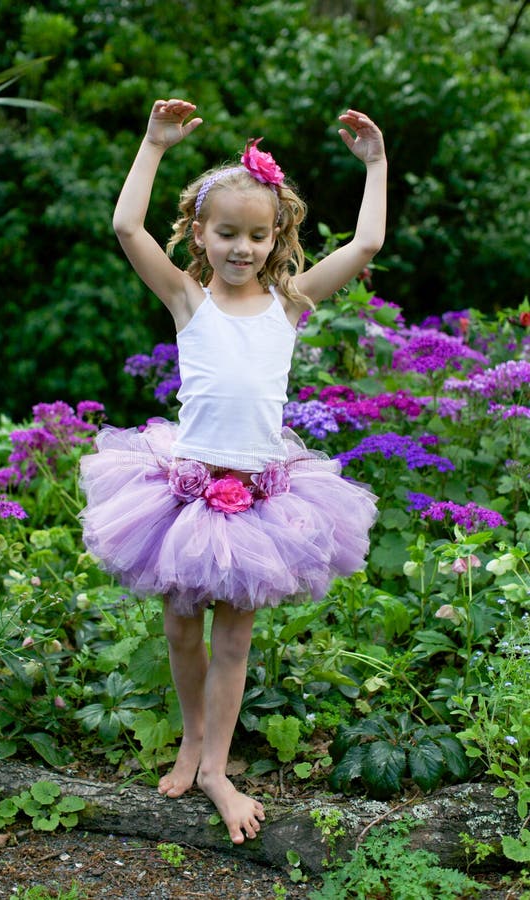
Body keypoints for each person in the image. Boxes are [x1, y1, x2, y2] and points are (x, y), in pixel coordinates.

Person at [80, 98, 387, 844]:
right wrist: (152, 145)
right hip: (183, 497)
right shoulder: (188, 300)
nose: (242, 248)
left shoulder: (292, 303)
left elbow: (367, 244)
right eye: (227, 233)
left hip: (257, 503)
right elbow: (126, 228)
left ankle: (217, 766)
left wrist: (376, 166)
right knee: (182, 633)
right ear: (199, 234)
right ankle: (193, 737)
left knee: (234, 640)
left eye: (257, 234)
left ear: (276, 235)